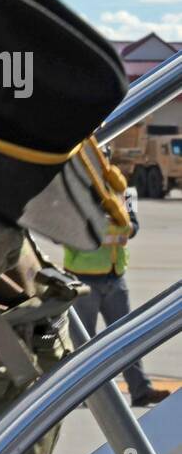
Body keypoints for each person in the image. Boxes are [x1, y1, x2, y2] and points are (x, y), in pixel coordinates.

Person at [64, 173, 169, 407]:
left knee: (127, 337)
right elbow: (67, 231)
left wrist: (119, 227)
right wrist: (114, 228)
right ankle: (79, 396)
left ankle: (141, 391)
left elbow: (133, 226)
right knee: (83, 343)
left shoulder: (126, 192)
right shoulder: (76, 189)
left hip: (115, 277)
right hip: (84, 278)